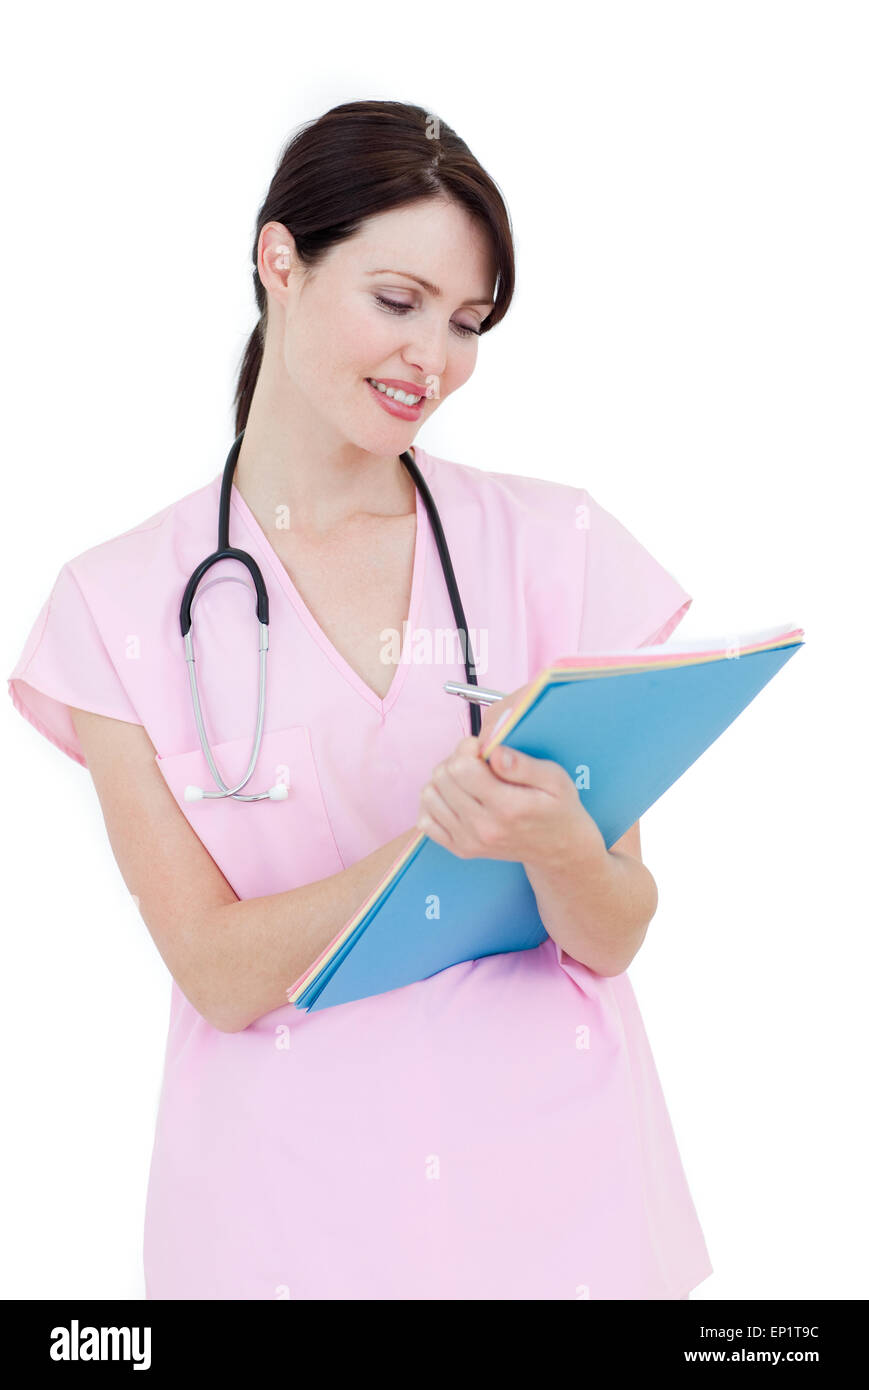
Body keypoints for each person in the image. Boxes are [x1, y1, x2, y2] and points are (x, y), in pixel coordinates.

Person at [7, 99, 712, 1300]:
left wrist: (557, 848)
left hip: (557, 1212)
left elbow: (612, 931)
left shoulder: (554, 549)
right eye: (396, 301)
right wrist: (444, 846)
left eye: (467, 321)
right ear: (278, 260)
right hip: (291, 1226)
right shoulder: (115, 611)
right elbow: (219, 971)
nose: (430, 359)